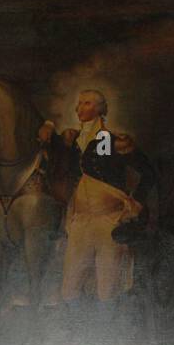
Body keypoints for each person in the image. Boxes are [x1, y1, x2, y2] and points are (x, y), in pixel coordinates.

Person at [43, 90, 154, 304]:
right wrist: (48, 124)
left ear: (100, 109)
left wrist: (137, 203)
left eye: (86, 103)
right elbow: (51, 152)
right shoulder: (72, 140)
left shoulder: (111, 140)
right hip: (80, 222)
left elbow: (148, 173)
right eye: (79, 104)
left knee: (108, 290)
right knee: (70, 289)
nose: (79, 108)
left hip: (109, 222)